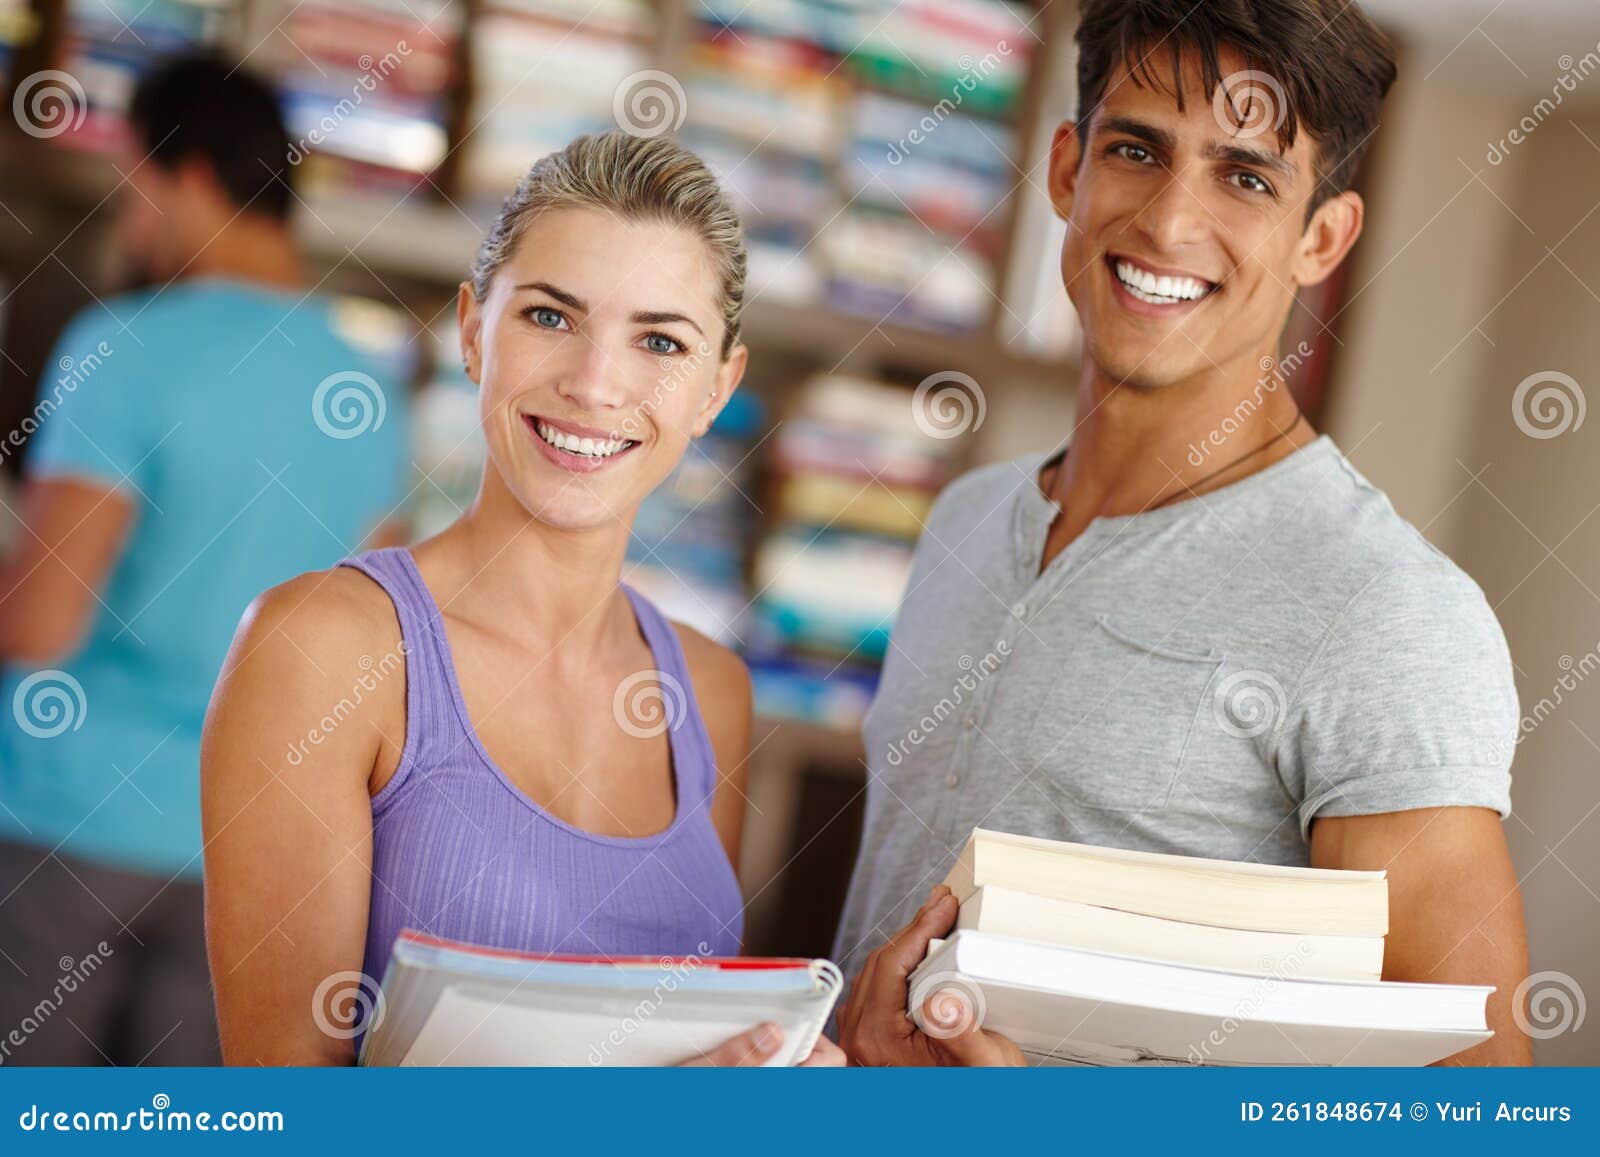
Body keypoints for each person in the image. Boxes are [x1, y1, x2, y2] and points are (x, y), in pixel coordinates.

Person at [835, 0, 1531, 1066]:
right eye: (1135, 150)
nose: (1167, 223)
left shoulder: (1386, 610)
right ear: (1067, 169)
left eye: (1245, 176)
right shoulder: (968, 517)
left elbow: (1476, 1110)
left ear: (1320, 238)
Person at [200, 131, 843, 1067]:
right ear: (471, 329)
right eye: (549, 317)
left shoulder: (711, 692)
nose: (593, 384)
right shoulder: (324, 649)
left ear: (718, 387)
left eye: (660, 341)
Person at [0, 53, 411, 1064]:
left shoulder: (124, 345)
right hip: (254, 856)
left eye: (135, 191)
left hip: (71, 825)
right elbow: (377, 663)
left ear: (184, 178)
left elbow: (38, 623)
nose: (130, 227)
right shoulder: (368, 387)